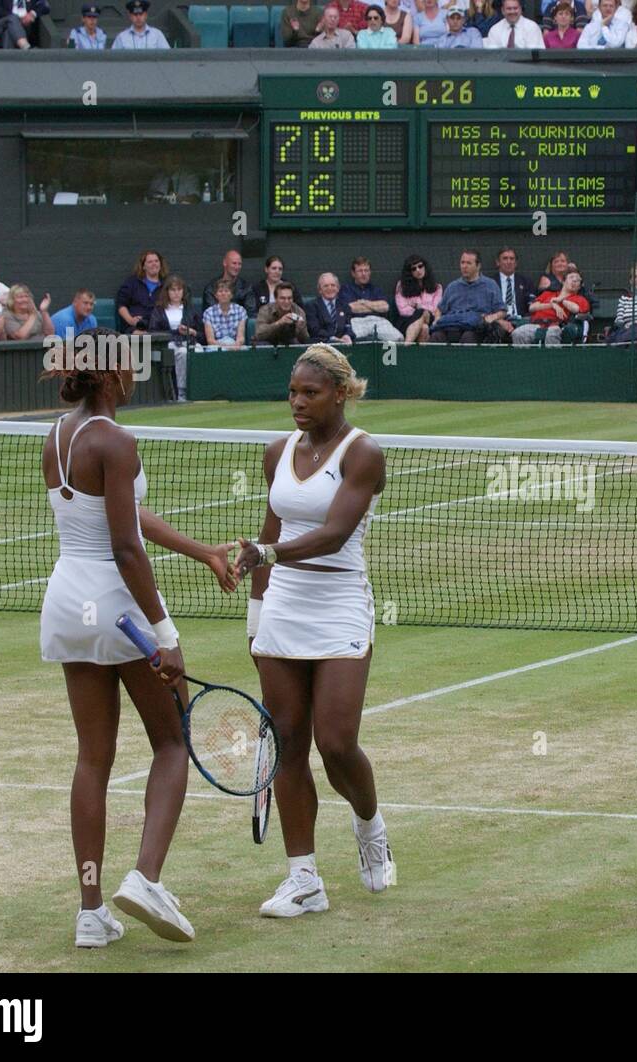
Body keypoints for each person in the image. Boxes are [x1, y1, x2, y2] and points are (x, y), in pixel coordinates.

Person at [39, 329, 237, 947]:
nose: (136, 370)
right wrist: (165, 633)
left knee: (92, 758)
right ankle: (147, 878)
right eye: (128, 363)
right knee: (174, 741)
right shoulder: (118, 439)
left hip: (69, 603)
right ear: (108, 376)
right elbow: (125, 545)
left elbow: (119, 513)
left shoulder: (58, 434)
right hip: (119, 606)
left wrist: (201, 549)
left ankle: (91, 911)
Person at [237, 345, 394, 918]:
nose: (298, 403)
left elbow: (332, 533)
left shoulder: (364, 454)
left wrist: (267, 553)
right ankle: (303, 877)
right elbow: (270, 526)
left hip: (339, 605)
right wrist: (256, 623)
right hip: (282, 609)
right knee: (287, 745)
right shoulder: (277, 451)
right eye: (292, 393)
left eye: (310, 393)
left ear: (340, 393)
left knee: (335, 742)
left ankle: (369, 823)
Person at [429, 249, 508, 344]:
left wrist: (491, 318)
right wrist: (437, 319)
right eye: (462, 263)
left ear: (478, 266)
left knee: (468, 337)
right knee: (436, 336)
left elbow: (502, 311)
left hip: (475, 328)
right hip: (452, 326)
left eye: (468, 263)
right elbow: (440, 309)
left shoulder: (490, 285)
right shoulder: (452, 286)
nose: (464, 266)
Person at [147, 275, 201, 400]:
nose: (176, 293)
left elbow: (201, 333)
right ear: (167, 292)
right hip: (169, 344)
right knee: (182, 353)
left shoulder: (190, 310)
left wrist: (192, 332)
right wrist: (177, 332)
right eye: (173, 290)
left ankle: (197, 388)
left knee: (197, 351)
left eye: (179, 290)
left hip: (189, 341)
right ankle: (182, 391)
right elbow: (153, 331)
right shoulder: (159, 310)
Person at [512, 269, 590, 347]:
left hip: (557, 325)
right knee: (518, 333)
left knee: (552, 333)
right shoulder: (548, 294)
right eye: (571, 277)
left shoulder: (580, 299)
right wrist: (551, 305)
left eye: (577, 280)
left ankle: (551, 358)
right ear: (563, 281)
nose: (574, 281)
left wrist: (561, 300)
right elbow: (532, 307)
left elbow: (576, 309)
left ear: (579, 286)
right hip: (537, 324)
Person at [340, 258, 401, 342]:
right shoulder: (346, 289)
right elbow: (350, 308)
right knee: (349, 339)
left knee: (398, 338)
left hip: (377, 320)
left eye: (366, 270)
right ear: (353, 273)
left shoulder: (376, 289)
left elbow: (385, 307)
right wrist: (375, 305)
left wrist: (363, 302)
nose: (364, 274)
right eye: (360, 271)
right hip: (356, 321)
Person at [394, 254, 443, 343]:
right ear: (410, 272)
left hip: (430, 319)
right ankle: (420, 355)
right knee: (424, 327)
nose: (418, 270)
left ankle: (407, 345)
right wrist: (420, 311)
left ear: (425, 267)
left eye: (420, 266)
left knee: (423, 314)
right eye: (414, 269)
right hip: (407, 321)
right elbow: (403, 309)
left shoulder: (437, 288)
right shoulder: (401, 286)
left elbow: (435, 309)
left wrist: (418, 306)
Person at [116, 250, 168, 334]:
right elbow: (121, 305)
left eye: (156, 261)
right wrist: (131, 320)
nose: (154, 264)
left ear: (161, 264)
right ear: (143, 266)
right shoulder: (131, 283)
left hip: (158, 327)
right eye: (150, 262)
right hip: (135, 327)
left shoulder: (167, 285)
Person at [201, 249, 257, 318]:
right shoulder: (212, 287)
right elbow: (210, 314)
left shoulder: (246, 287)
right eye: (234, 263)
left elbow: (251, 314)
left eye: (239, 264)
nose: (237, 267)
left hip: (241, 325)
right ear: (225, 263)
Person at [489, 246, 534, 323]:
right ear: (498, 262)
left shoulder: (526, 282)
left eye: (512, 259)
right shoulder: (490, 283)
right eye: (505, 258)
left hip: (521, 322)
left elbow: (531, 305)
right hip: (498, 322)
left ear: (516, 263)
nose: (509, 262)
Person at [306, 272, 354, 344]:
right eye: (326, 286)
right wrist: (332, 338)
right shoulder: (312, 306)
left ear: (338, 288)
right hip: (321, 346)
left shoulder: (344, 306)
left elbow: (348, 327)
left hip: (343, 345)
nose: (330, 288)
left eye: (333, 285)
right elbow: (314, 330)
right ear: (320, 290)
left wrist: (347, 336)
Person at [203, 280, 248, 348]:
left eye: (226, 291)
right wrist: (226, 347)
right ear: (216, 295)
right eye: (220, 291)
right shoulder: (208, 313)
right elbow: (210, 340)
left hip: (235, 346)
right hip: (217, 347)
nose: (223, 294)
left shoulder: (240, 310)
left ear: (231, 295)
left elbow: (241, 338)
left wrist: (235, 346)